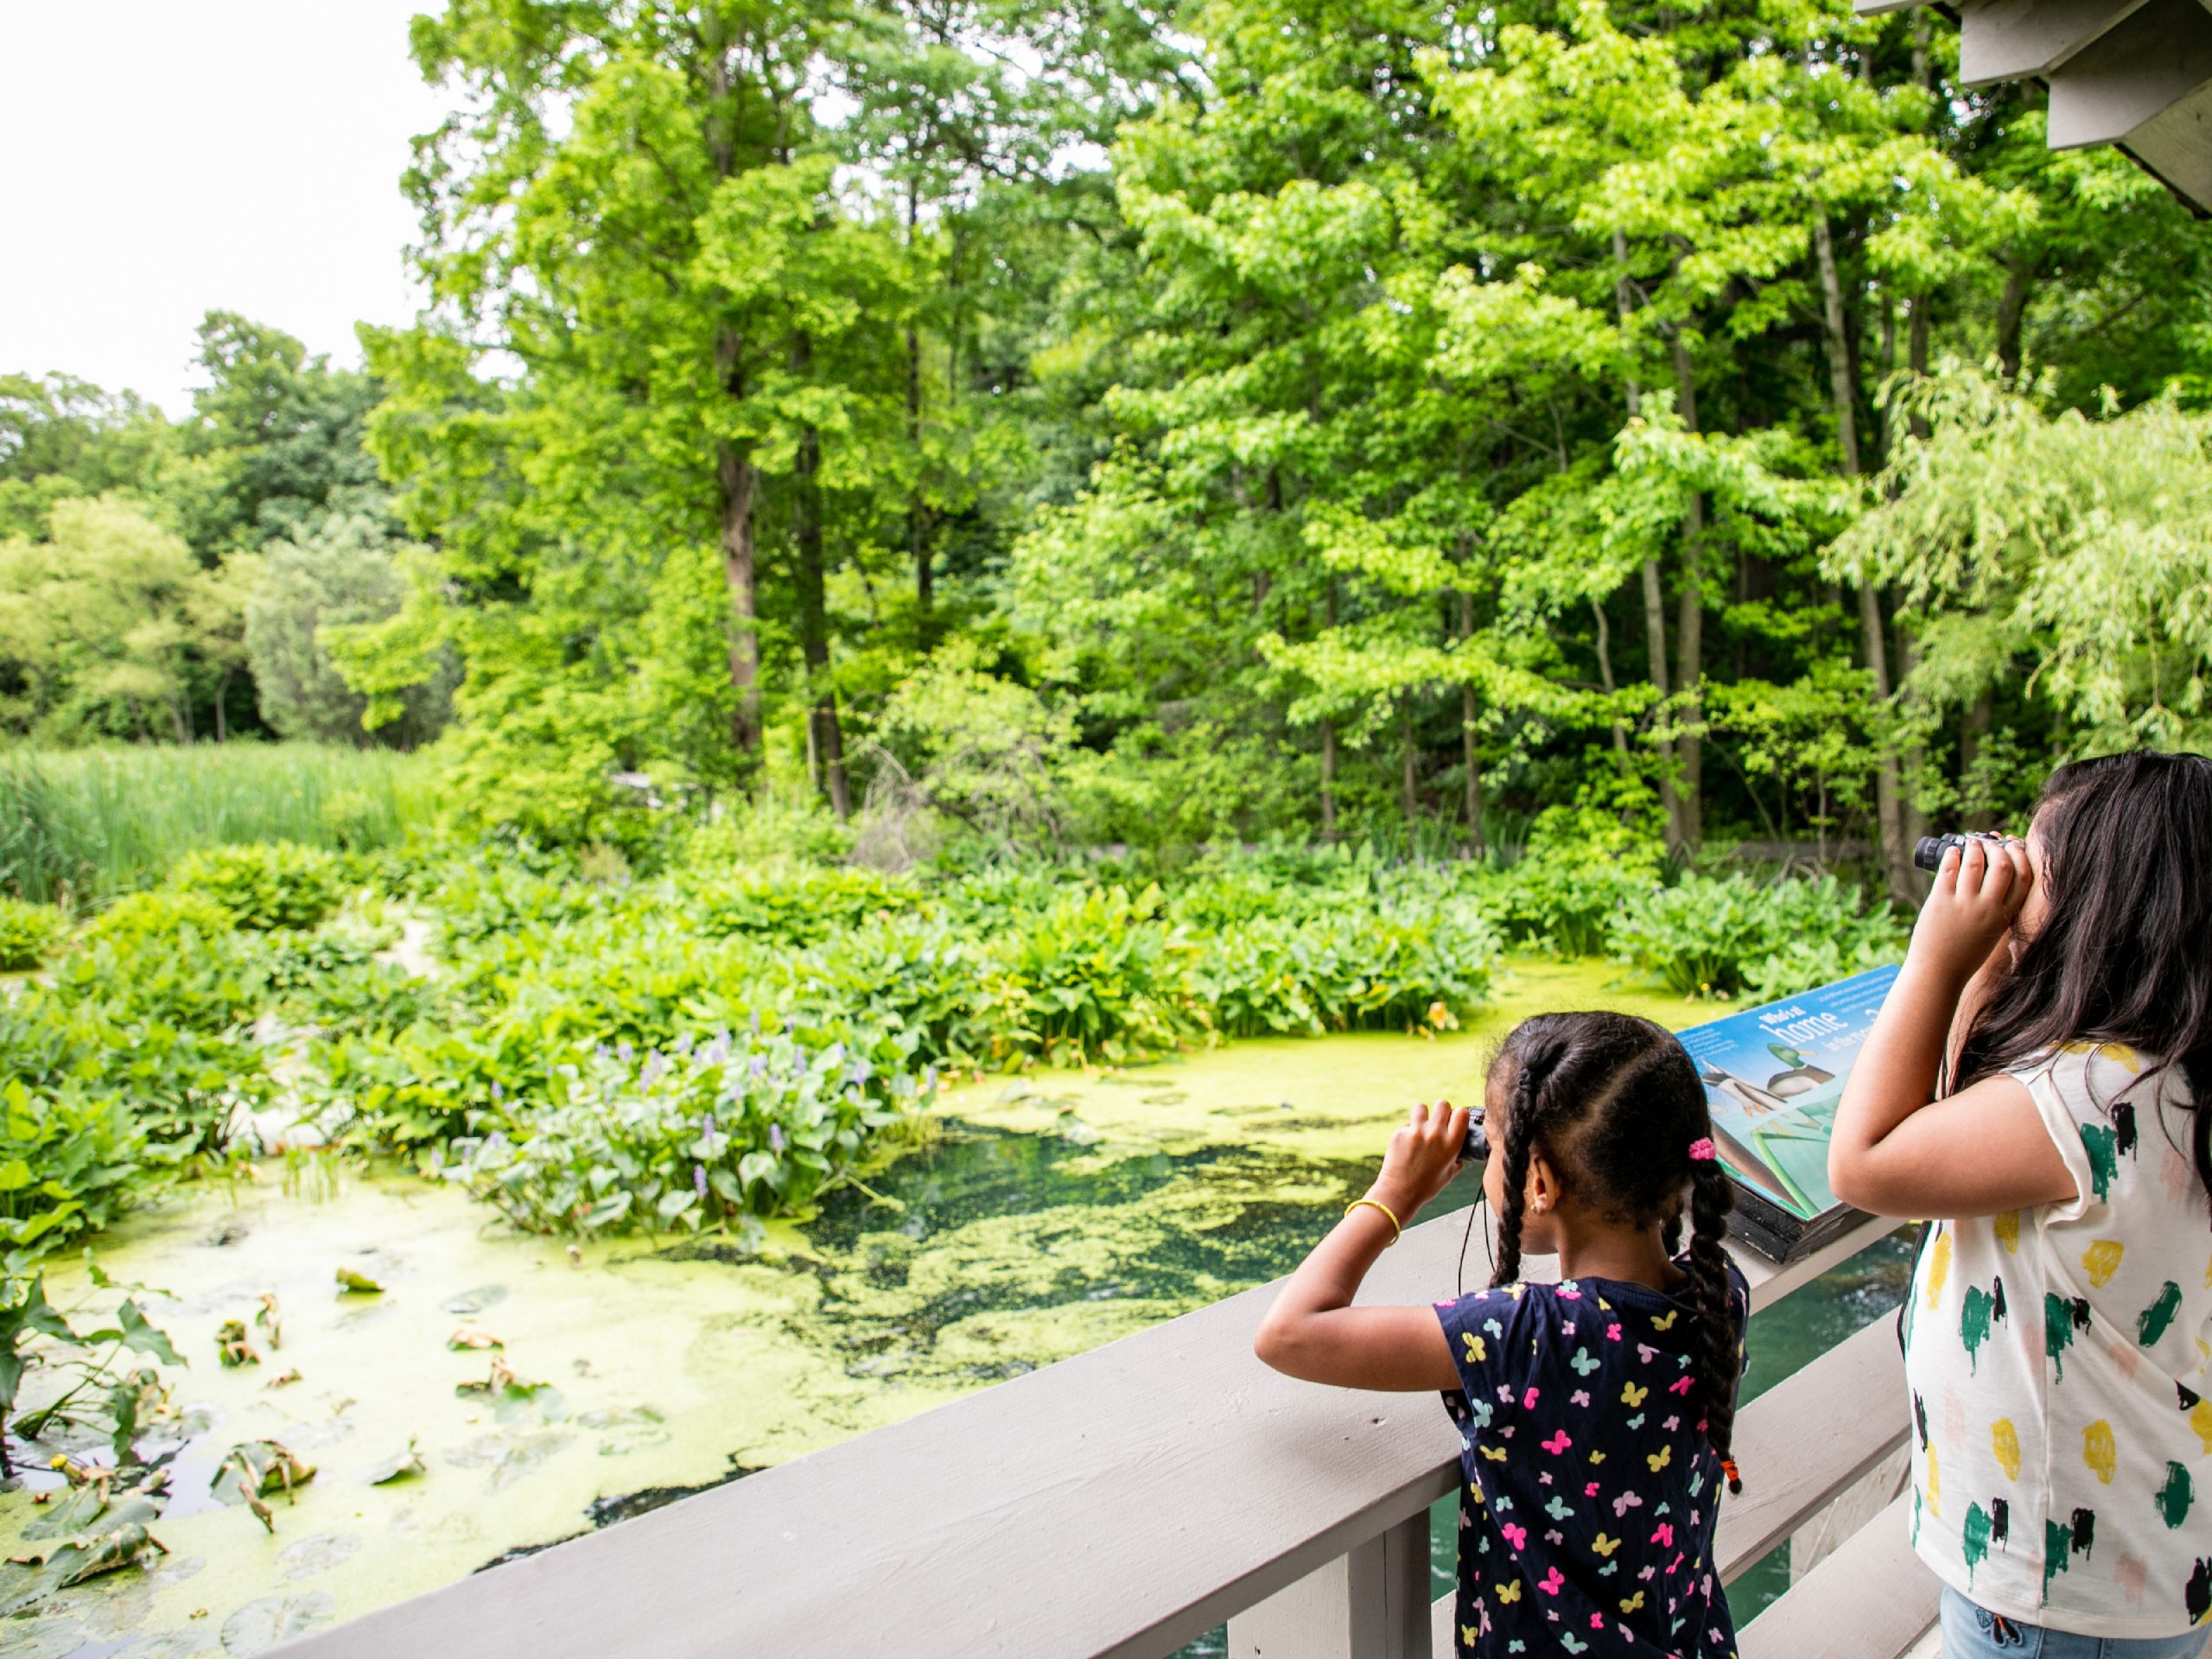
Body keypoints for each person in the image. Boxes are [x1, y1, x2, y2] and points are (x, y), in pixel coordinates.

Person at [1830, 752, 2212, 1657]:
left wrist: (1940, 955)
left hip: (2052, 1591)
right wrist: (2000, 955)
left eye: (2033, 865)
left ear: (2100, 903)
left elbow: (1867, 1161)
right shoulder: (2164, 1072)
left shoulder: (2089, 1094)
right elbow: (1955, 1113)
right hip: (2138, 1558)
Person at [1254, 1011, 1751, 1658]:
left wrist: (1393, 1194)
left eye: (1492, 1144)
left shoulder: (1528, 1334)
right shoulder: (1720, 1290)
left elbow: (1289, 1333)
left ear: (1538, 1183)